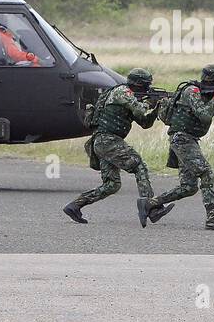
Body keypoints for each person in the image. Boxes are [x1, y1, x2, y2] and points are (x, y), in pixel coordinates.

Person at [140, 64, 214, 231]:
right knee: (207, 174)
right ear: (212, 79)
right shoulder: (192, 91)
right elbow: (204, 115)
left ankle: (150, 204)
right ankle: (213, 218)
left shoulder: (210, 94)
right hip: (182, 139)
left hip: (188, 140)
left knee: (189, 187)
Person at [63, 68, 173, 227]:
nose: (148, 89)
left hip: (105, 142)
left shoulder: (129, 98)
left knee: (111, 185)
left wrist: (156, 109)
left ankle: (75, 206)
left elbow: (145, 123)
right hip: (108, 140)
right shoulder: (122, 92)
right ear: (138, 85)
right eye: (146, 86)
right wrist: (149, 102)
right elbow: (141, 109)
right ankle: (151, 208)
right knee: (139, 166)